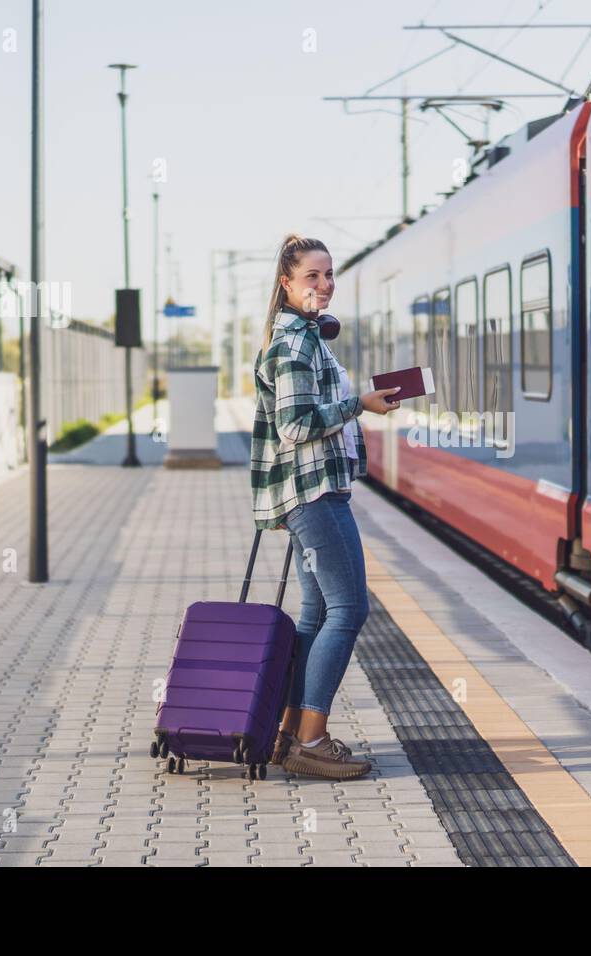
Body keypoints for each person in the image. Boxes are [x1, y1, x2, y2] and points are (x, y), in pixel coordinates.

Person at [250, 233, 401, 780]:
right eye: (312, 276)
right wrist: (358, 404)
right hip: (312, 495)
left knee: (316, 615)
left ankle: (288, 735)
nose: (324, 284)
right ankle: (312, 740)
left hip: (319, 490)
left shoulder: (310, 339)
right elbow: (293, 427)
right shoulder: (293, 346)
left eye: (329, 274)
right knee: (350, 610)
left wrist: (355, 403)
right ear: (286, 283)